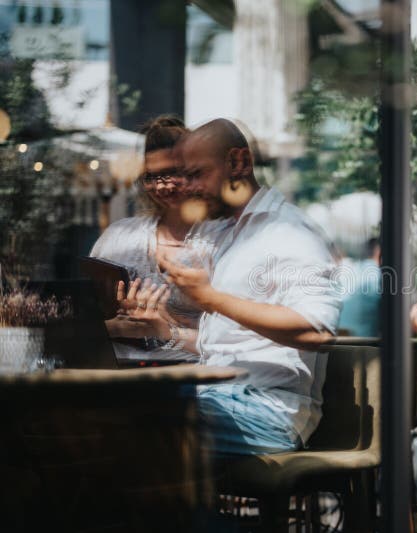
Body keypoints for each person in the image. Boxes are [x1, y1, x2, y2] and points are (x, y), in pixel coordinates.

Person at [128, 118, 341, 455]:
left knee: (135, 428)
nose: (187, 187)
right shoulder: (231, 235)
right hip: (218, 397)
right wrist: (163, 331)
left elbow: (318, 333)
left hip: (267, 412)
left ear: (239, 162)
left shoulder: (290, 232)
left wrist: (210, 298)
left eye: (197, 174)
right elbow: (236, 345)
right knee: (111, 413)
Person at [90, 116, 227, 362]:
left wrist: (168, 321)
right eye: (151, 177)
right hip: (120, 373)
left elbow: (242, 341)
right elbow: (87, 318)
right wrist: (118, 322)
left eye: (173, 173)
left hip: (202, 381)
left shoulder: (226, 240)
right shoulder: (119, 237)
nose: (163, 187)